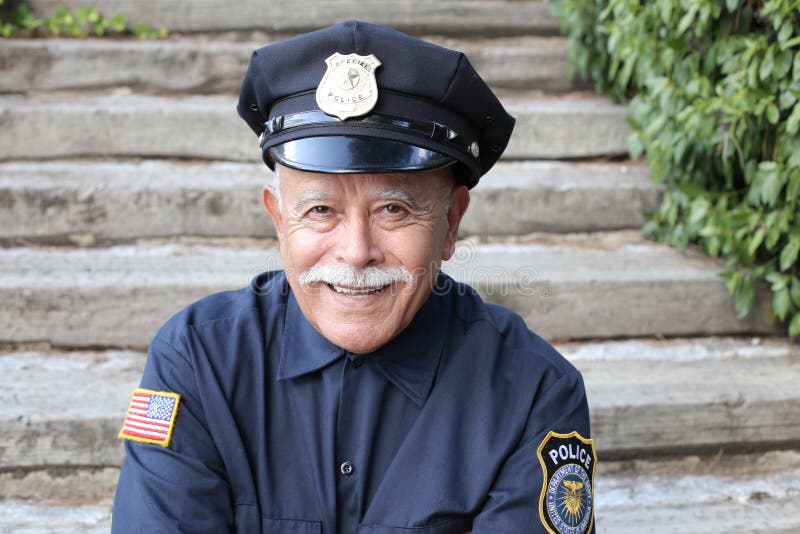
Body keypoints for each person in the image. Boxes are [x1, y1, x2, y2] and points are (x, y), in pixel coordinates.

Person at [111, 20, 596, 534]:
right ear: (278, 220)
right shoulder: (197, 362)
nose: (356, 252)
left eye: (393, 210)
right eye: (321, 209)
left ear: (451, 222)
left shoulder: (533, 391)